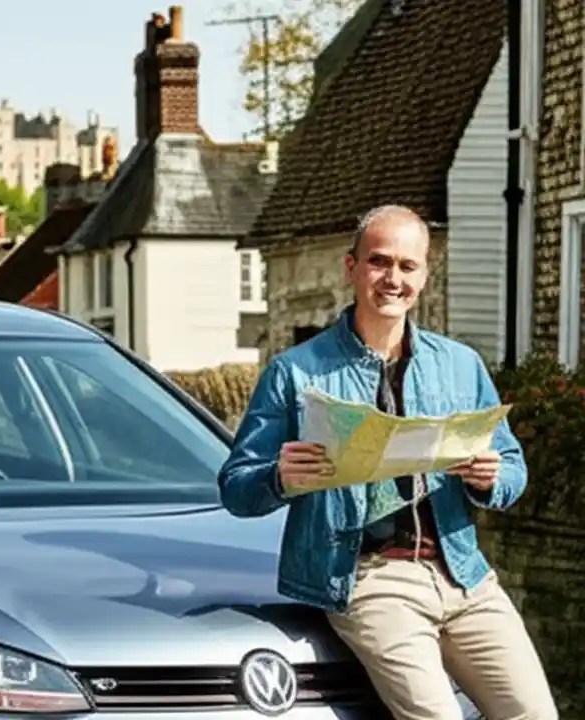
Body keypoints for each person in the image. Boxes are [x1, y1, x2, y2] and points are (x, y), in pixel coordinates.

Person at [217, 205, 557, 719]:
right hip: (369, 578)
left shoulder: (460, 365)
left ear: (424, 274)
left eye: (407, 266)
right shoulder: (294, 372)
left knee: (535, 714)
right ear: (351, 268)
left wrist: (491, 479)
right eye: (379, 262)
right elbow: (236, 488)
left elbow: (512, 466)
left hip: (465, 574)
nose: (393, 279)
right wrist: (279, 477)